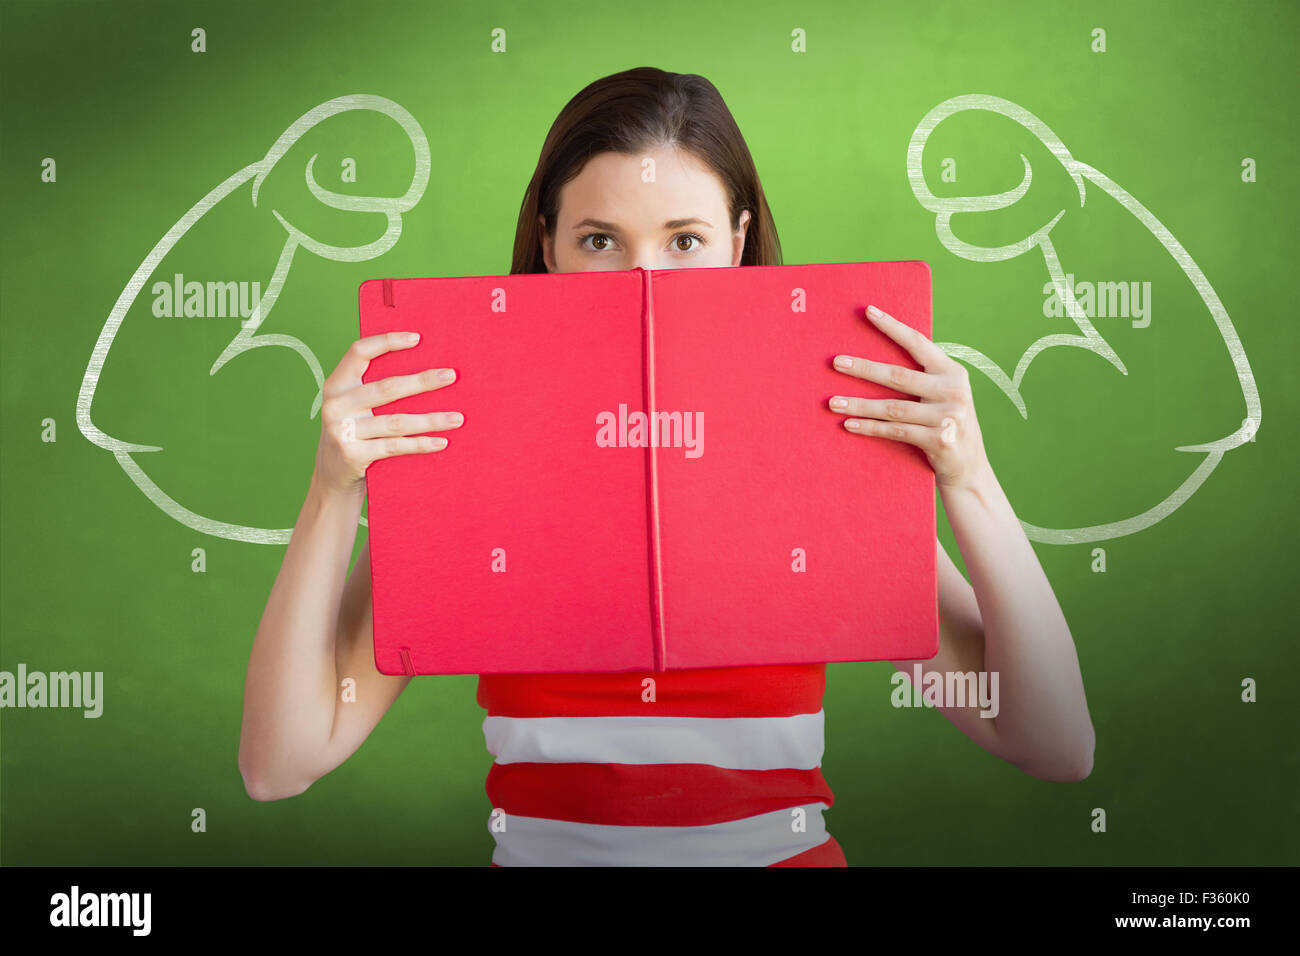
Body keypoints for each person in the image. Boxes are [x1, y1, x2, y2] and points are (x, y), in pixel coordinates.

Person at [238, 66, 1095, 866]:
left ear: (739, 238)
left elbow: (1052, 742)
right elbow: (279, 763)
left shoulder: (821, 439)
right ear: (548, 244)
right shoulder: (465, 444)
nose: (642, 281)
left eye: (684, 240)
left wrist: (969, 480)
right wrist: (331, 491)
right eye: (600, 239)